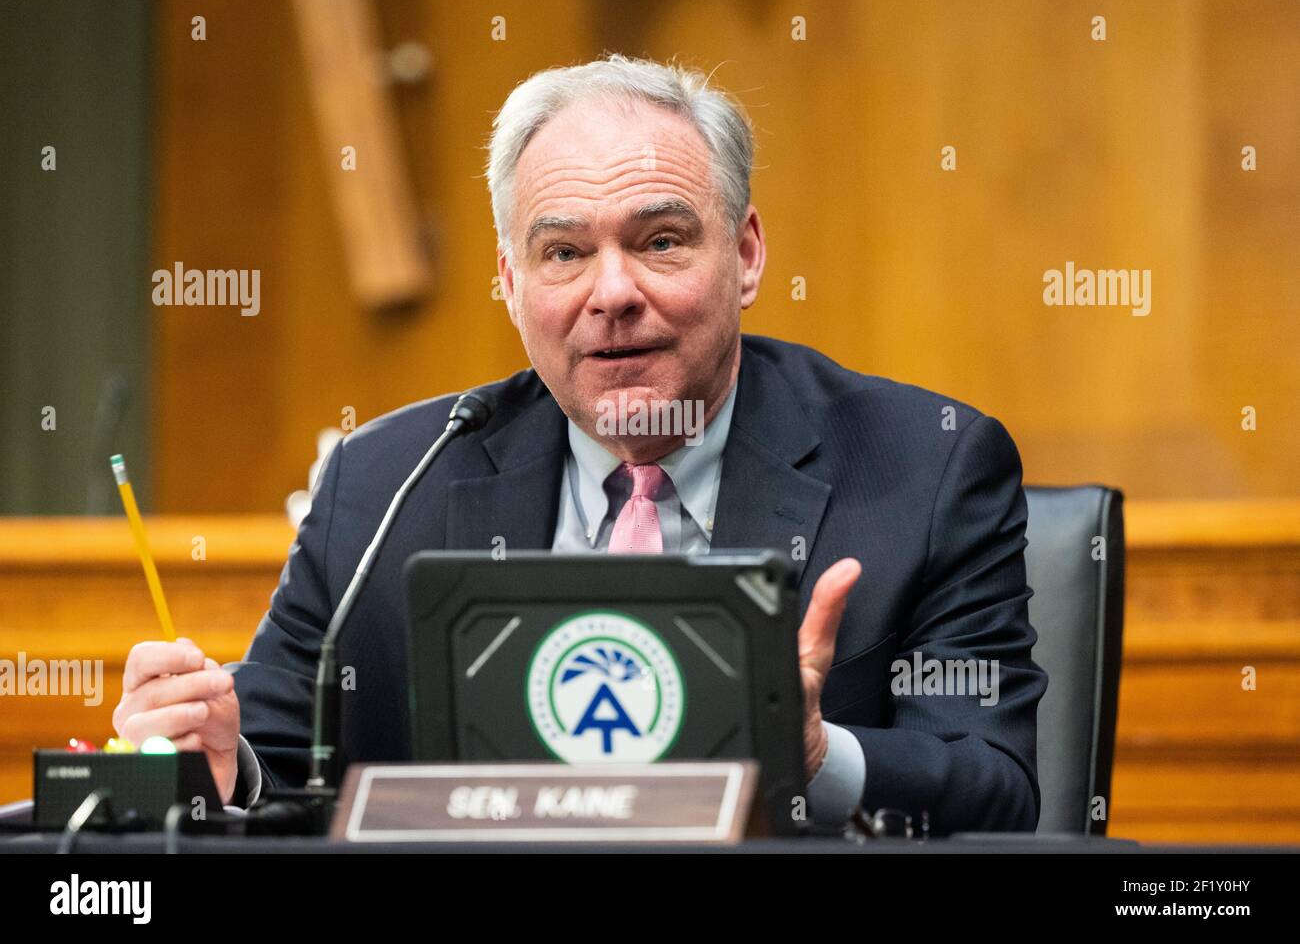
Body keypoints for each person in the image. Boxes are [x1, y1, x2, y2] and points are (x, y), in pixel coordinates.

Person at [114, 54, 1047, 833]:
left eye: (662, 240)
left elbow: (995, 789)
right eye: (563, 253)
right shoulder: (385, 484)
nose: (612, 293)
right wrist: (214, 759)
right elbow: (279, 769)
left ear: (747, 252)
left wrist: (815, 756)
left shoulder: (923, 468)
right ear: (511, 281)